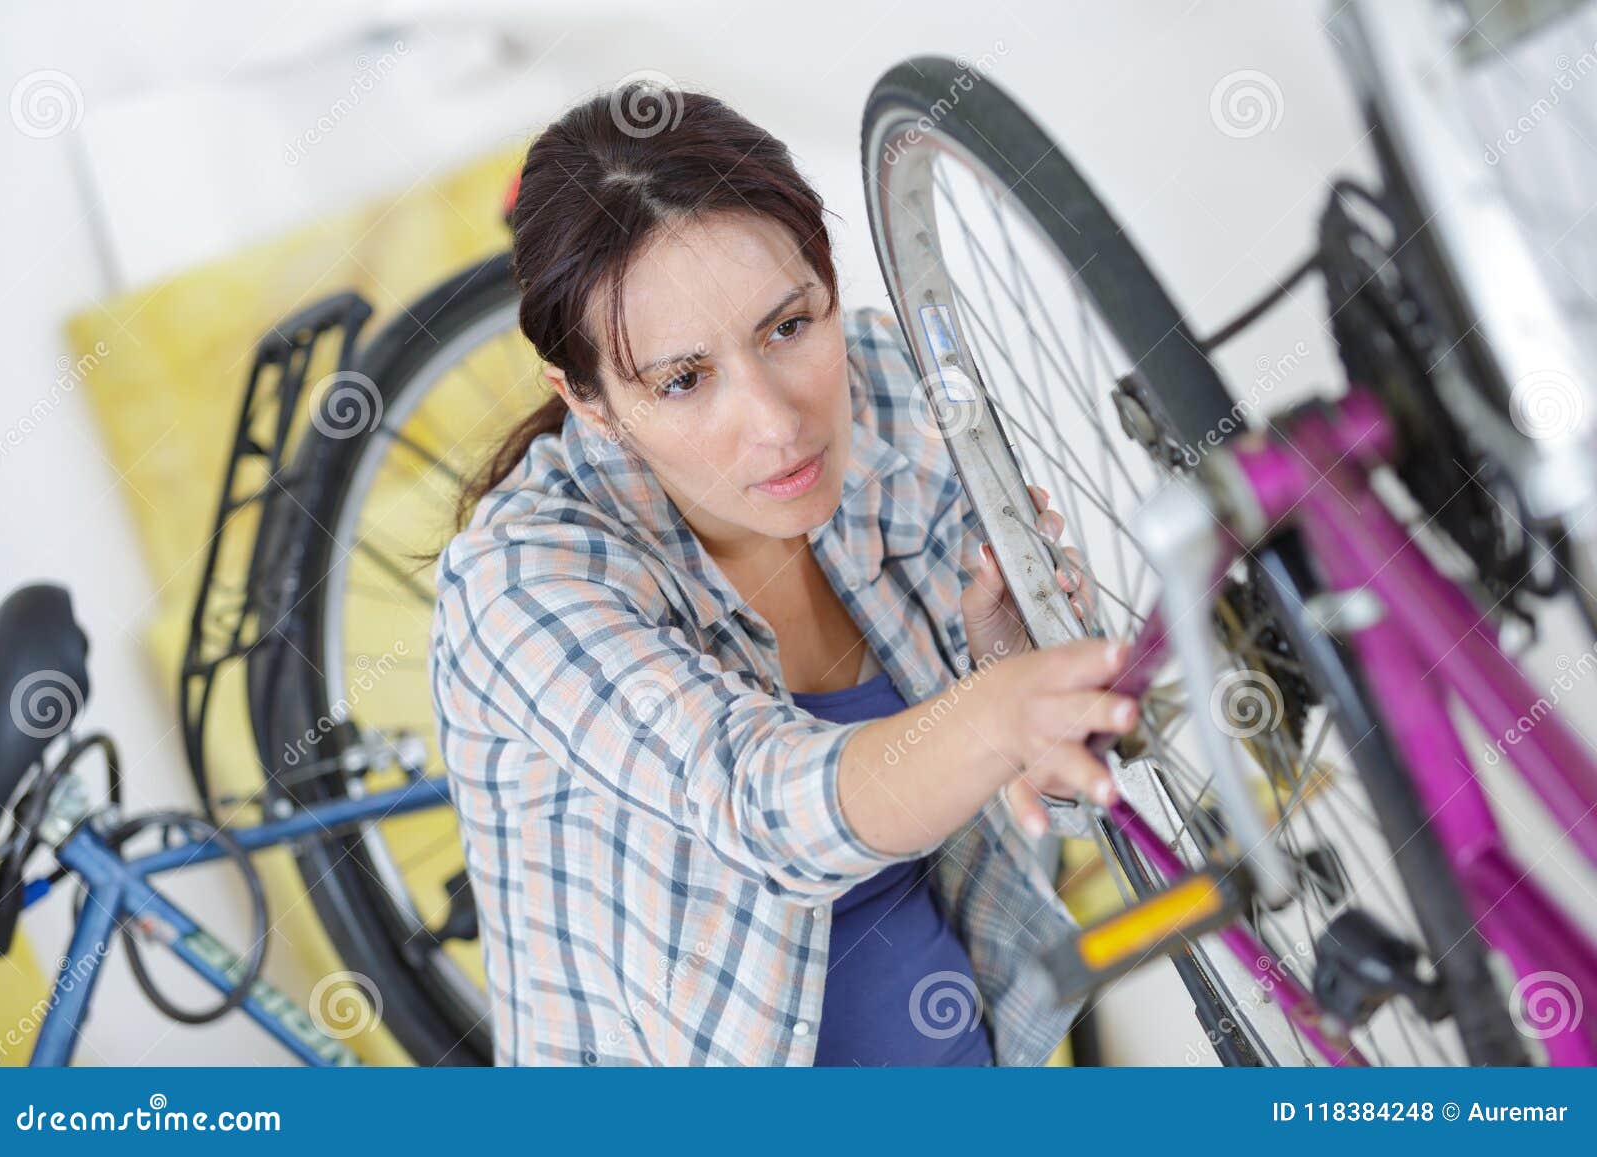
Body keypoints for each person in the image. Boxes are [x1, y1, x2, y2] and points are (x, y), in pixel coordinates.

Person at [428, 81, 1137, 1066]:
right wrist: (992, 712)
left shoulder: (890, 389)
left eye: (788, 326)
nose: (776, 421)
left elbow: (1047, 793)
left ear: (828, 280)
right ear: (586, 399)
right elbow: (760, 808)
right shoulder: (521, 584)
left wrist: (1014, 666)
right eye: (682, 379)